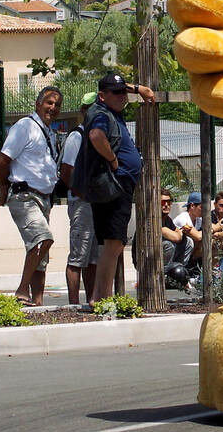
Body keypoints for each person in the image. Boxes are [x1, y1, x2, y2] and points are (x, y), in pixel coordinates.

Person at [87, 73, 155, 303]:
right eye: (116, 93)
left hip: (119, 183)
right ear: (102, 96)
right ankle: (101, 298)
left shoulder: (110, 110)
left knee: (112, 243)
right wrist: (114, 161)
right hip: (116, 183)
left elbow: (116, 86)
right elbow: (96, 136)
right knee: (114, 242)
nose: (122, 96)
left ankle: (100, 296)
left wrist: (138, 88)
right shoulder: (101, 114)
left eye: (123, 92)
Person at [0, 86, 62, 306]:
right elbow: (3, 159)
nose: (52, 108)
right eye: (49, 103)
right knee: (43, 239)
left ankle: (38, 302)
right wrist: (3, 188)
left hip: (44, 198)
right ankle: (21, 290)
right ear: (38, 104)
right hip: (24, 196)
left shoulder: (49, 132)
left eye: (57, 105)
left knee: (40, 256)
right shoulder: (25, 126)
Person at [58, 91, 101, 306]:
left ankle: (92, 300)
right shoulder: (77, 136)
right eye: (90, 108)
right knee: (78, 257)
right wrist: (85, 194)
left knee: (93, 258)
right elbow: (67, 173)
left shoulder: (98, 135)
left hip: (95, 203)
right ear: (84, 111)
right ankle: (74, 304)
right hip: (81, 204)